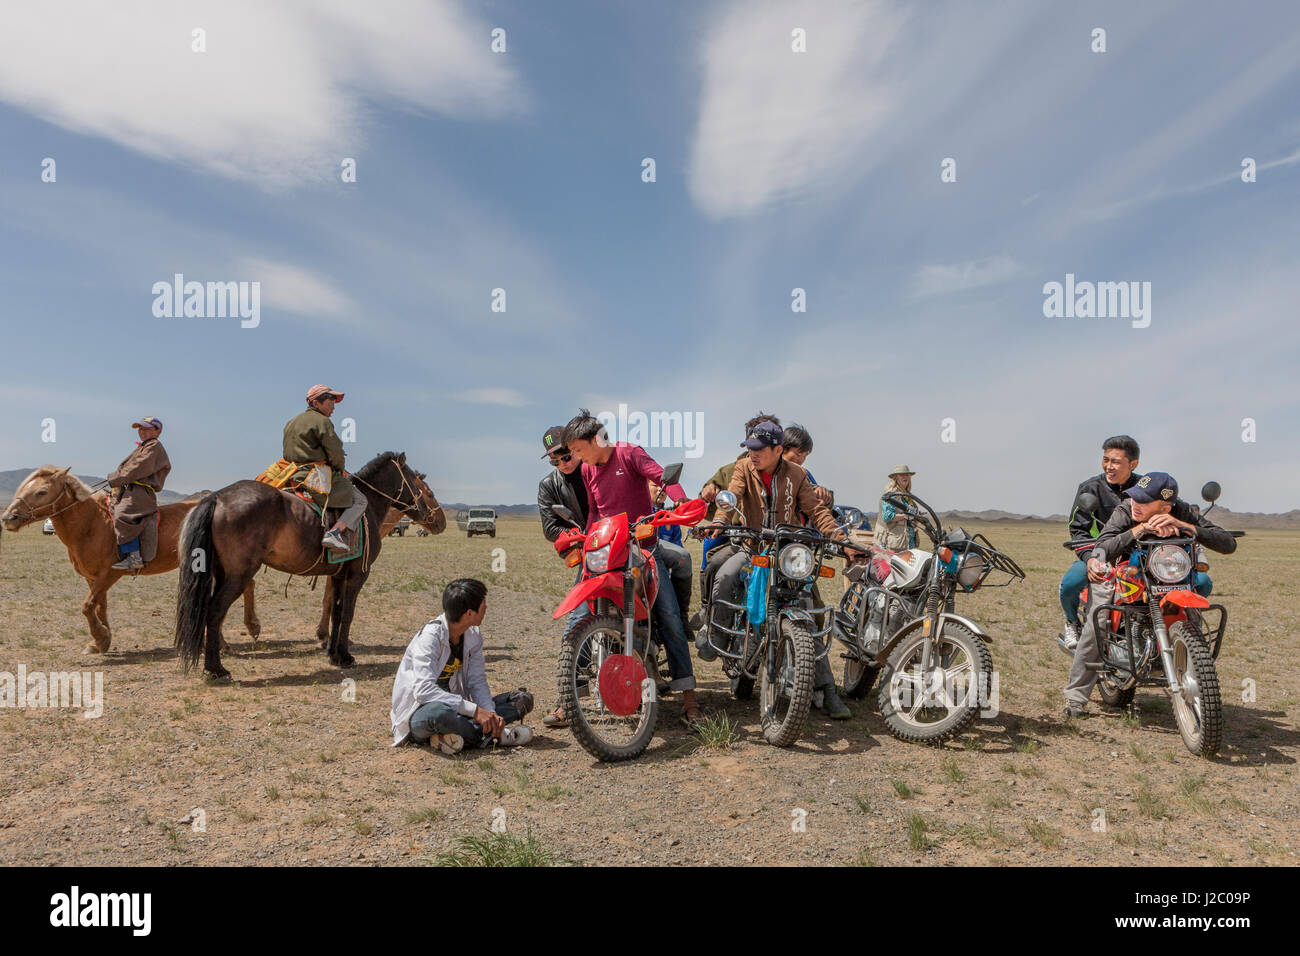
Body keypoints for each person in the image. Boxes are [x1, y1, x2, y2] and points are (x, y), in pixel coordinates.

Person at [701, 420, 864, 719]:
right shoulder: (743, 469)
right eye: (750, 449)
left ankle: (826, 690)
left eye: (759, 449)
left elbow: (817, 511)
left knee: (811, 609)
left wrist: (843, 541)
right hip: (751, 547)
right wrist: (721, 521)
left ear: (778, 450)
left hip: (786, 552)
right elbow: (732, 496)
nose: (753, 454)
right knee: (723, 575)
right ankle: (718, 635)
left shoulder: (797, 474)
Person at [563, 408, 702, 726]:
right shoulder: (587, 471)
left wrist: (680, 503)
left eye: (578, 450)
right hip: (607, 551)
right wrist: (585, 541)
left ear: (596, 439)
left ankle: (689, 700)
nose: (577, 458)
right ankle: (570, 696)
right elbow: (596, 513)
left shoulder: (628, 453)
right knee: (578, 617)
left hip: (643, 549)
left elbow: (660, 478)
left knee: (669, 617)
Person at [1063, 472, 1236, 718]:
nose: (1135, 503)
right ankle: (1075, 697)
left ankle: (1193, 671)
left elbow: (1228, 543)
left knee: (1193, 614)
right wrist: (1140, 529)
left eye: (1143, 501)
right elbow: (1103, 547)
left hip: (1167, 574)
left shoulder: (1181, 511)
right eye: (1134, 497)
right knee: (1097, 621)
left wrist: (1184, 526)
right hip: (1123, 574)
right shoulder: (1125, 510)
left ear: (1166, 507)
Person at [391, 578, 535, 753]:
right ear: (469, 613)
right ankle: (491, 738)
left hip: (459, 709)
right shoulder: (431, 637)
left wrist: (490, 713)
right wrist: (475, 712)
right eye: (483, 603)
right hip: (422, 713)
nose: (486, 607)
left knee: (522, 699)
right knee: (440, 713)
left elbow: (477, 681)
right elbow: (424, 691)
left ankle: (460, 736)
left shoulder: (472, 634)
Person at [1058, 435, 1143, 652]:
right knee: (1070, 583)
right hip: (1101, 555)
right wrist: (1090, 559)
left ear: (1133, 464)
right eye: (1106, 460)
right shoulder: (1090, 488)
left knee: (1200, 581)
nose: (1108, 466)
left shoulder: (1145, 488)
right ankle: (1072, 622)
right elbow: (1078, 529)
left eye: (1115, 461)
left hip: (1138, 557)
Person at [536, 425, 589, 728]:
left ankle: (686, 691)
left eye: (565, 455)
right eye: (554, 460)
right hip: (589, 553)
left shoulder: (596, 470)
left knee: (666, 600)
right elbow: (549, 527)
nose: (561, 463)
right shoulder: (549, 486)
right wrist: (578, 536)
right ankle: (570, 700)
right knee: (577, 618)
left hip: (621, 542)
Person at [282, 385, 367, 553]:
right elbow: (335, 453)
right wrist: (340, 468)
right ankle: (335, 533)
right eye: (330, 402)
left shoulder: (290, 422)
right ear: (316, 403)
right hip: (314, 476)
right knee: (360, 500)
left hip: (291, 474)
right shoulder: (323, 422)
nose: (334, 407)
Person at [108, 417, 172, 571]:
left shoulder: (154, 446)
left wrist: (113, 479)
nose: (142, 432)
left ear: (158, 431)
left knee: (122, 513)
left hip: (140, 492)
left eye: (147, 429)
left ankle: (134, 557)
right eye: (140, 429)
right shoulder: (143, 446)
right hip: (129, 489)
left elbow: (136, 468)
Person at [781, 423, 833, 508]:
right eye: (798, 454)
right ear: (783, 448)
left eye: (805, 456)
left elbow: (819, 505)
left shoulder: (806, 474)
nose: (801, 460)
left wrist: (823, 495)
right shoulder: (769, 470)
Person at [873, 466, 917, 551]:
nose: (905, 477)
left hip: (906, 542)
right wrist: (905, 516)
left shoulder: (907, 495)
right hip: (892, 544)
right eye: (901, 475)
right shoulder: (891, 495)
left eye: (907, 475)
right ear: (896, 478)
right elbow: (887, 516)